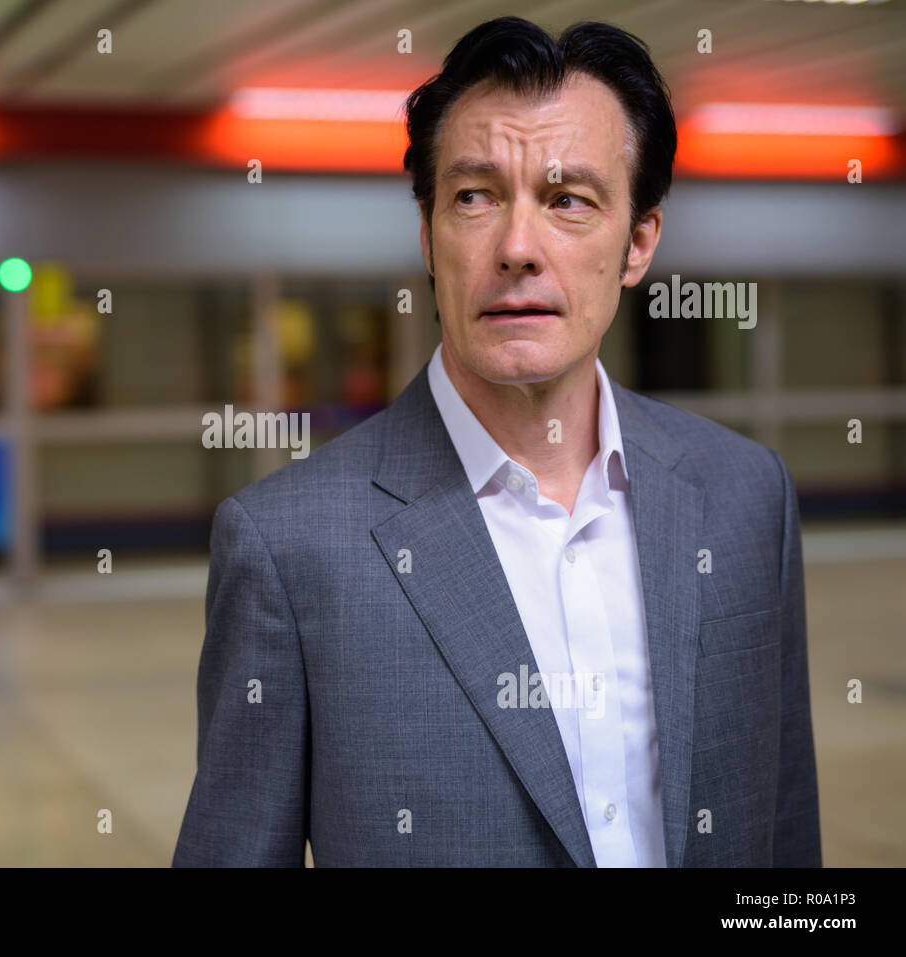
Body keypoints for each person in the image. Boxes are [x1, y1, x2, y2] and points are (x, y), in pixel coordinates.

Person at [172, 16, 820, 867]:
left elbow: (785, 837)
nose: (518, 248)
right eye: (474, 197)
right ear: (428, 237)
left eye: (568, 201)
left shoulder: (746, 497)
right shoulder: (290, 548)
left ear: (638, 243)